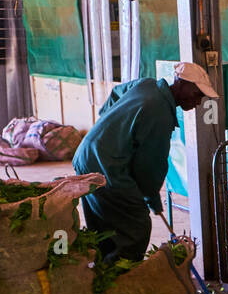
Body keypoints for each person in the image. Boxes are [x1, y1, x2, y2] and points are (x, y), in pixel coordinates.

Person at [72, 62, 217, 263]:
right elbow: (149, 167)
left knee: (103, 227)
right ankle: (124, 279)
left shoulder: (146, 84)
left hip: (86, 155)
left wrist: (110, 130)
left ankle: (102, 277)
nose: (198, 102)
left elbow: (115, 94)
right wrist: (151, 199)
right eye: (197, 95)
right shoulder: (160, 113)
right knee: (136, 224)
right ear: (182, 84)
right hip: (107, 167)